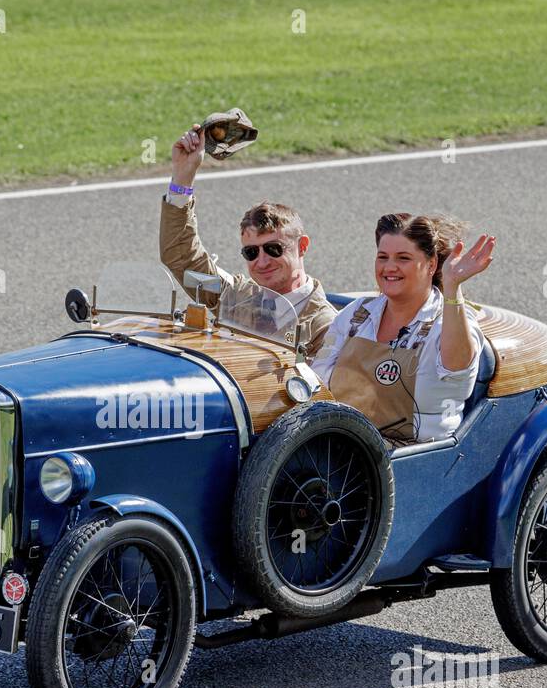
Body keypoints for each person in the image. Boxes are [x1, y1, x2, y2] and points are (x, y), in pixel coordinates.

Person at [311, 213, 495, 446]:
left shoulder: (450, 321)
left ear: (431, 265)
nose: (389, 267)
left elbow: (457, 369)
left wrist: (452, 286)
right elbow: (317, 381)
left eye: (403, 258)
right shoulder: (358, 313)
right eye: (383, 257)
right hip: (342, 440)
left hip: (410, 454)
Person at [159, 123, 337, 357]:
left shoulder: (328, 327)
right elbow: (182, 257)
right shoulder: (236, 297)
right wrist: (183, 176)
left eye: (274, 249)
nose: (261, 262)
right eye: (251, 253)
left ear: (302, 246)